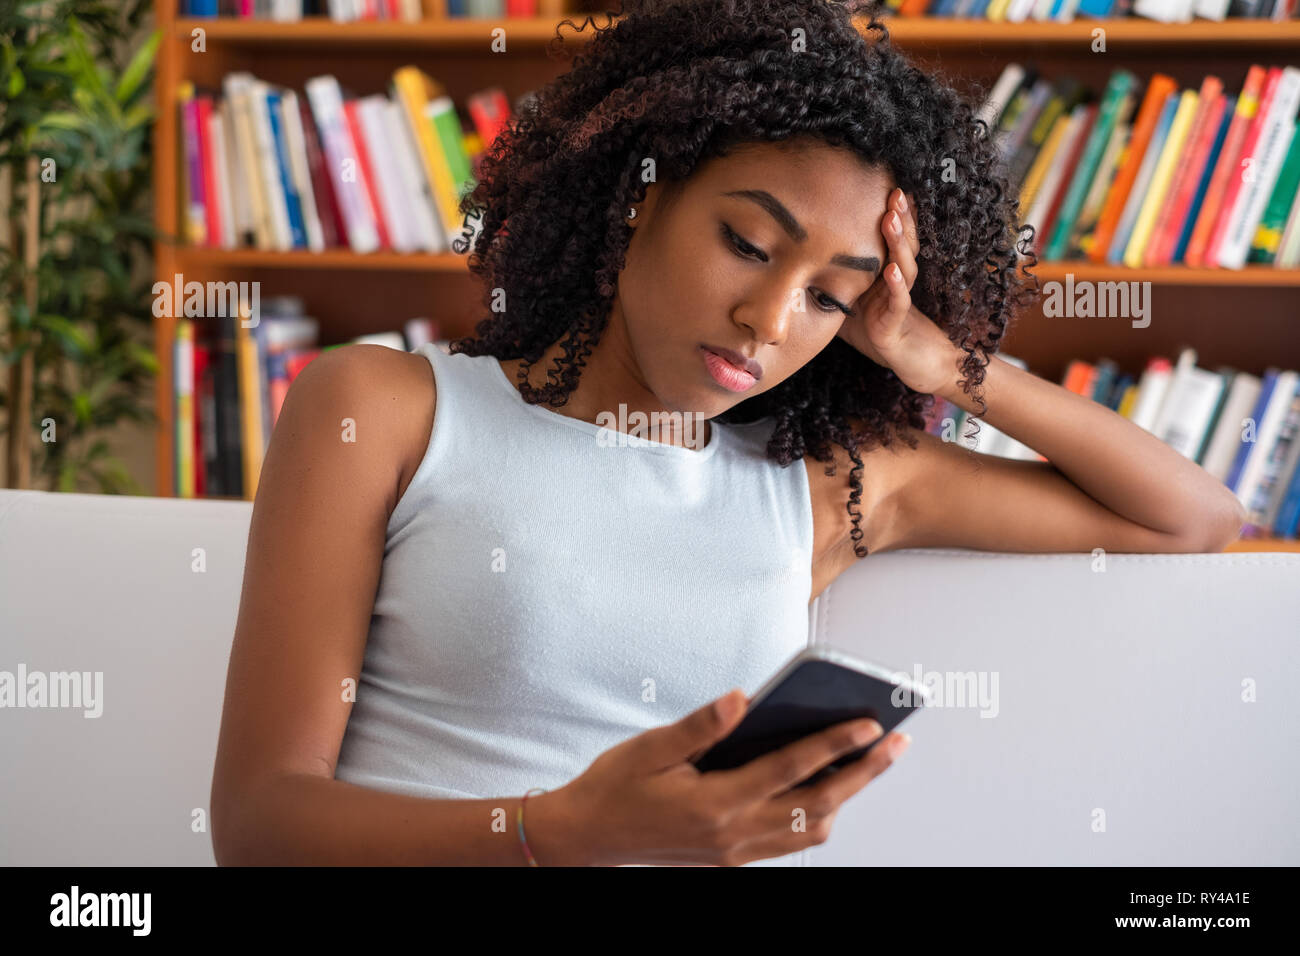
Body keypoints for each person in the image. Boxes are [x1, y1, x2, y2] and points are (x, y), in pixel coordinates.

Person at [209, 0, 1246, 867]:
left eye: (834, 298)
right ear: (635, 199)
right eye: (747, 242)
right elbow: (259, 821)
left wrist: (945, 364)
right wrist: (551, 831)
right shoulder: (385, 408)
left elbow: (1193, 516)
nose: (770, 319)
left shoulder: (828, 485)